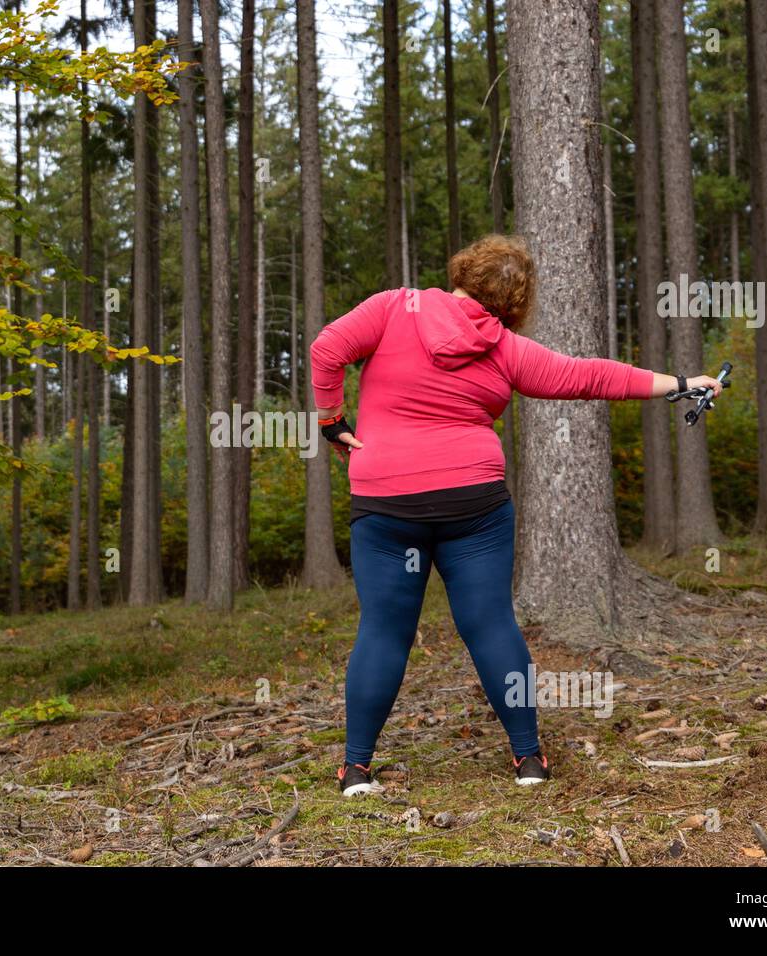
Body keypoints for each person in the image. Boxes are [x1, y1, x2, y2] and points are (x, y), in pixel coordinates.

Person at [310, 235, 723, 795]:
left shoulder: (393, 307)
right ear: (515, 301)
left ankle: (356, 769)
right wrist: (678, 383)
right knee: (492, 625)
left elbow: (326, 349)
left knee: (384, 631)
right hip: (472, 504)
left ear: (462, 269)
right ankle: (529, 760)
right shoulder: (504, 347)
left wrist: (331, 420)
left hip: (388, 503)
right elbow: (589, 376)